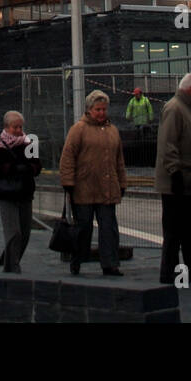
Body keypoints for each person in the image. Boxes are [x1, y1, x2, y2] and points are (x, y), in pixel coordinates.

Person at [59, 90, 127, 276]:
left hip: (107, 188)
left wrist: (122, 182)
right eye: (98, 109)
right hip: (84, 188)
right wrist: (68, 182)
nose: (101, 113)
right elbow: (68, 157)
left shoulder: (113, 131)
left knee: (109, 229)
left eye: (104, 109)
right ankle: (77, 260)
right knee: (83, 228)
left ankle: (110, 263)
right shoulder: (78, 129)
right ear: (89, 110)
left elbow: (119, 160)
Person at [155, 72, 191, 284]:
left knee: (189, 229)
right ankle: (170, 272)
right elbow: (168, 143)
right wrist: (174, 172)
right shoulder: (175, 109)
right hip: (176, 182)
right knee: (174, 231)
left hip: (185, 181)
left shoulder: (185, 108)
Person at [0, 110, 42, 273]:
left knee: (25, 233)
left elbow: (37, 166)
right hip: (7, 194)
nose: (18, 130)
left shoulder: (29, 143)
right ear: (7, 127)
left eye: (20, 127)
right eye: (15, 127)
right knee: (13, 232)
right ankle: (12, 265)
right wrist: (17, 168)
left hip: (25, 192)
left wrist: (27, 168)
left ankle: (9, 258)